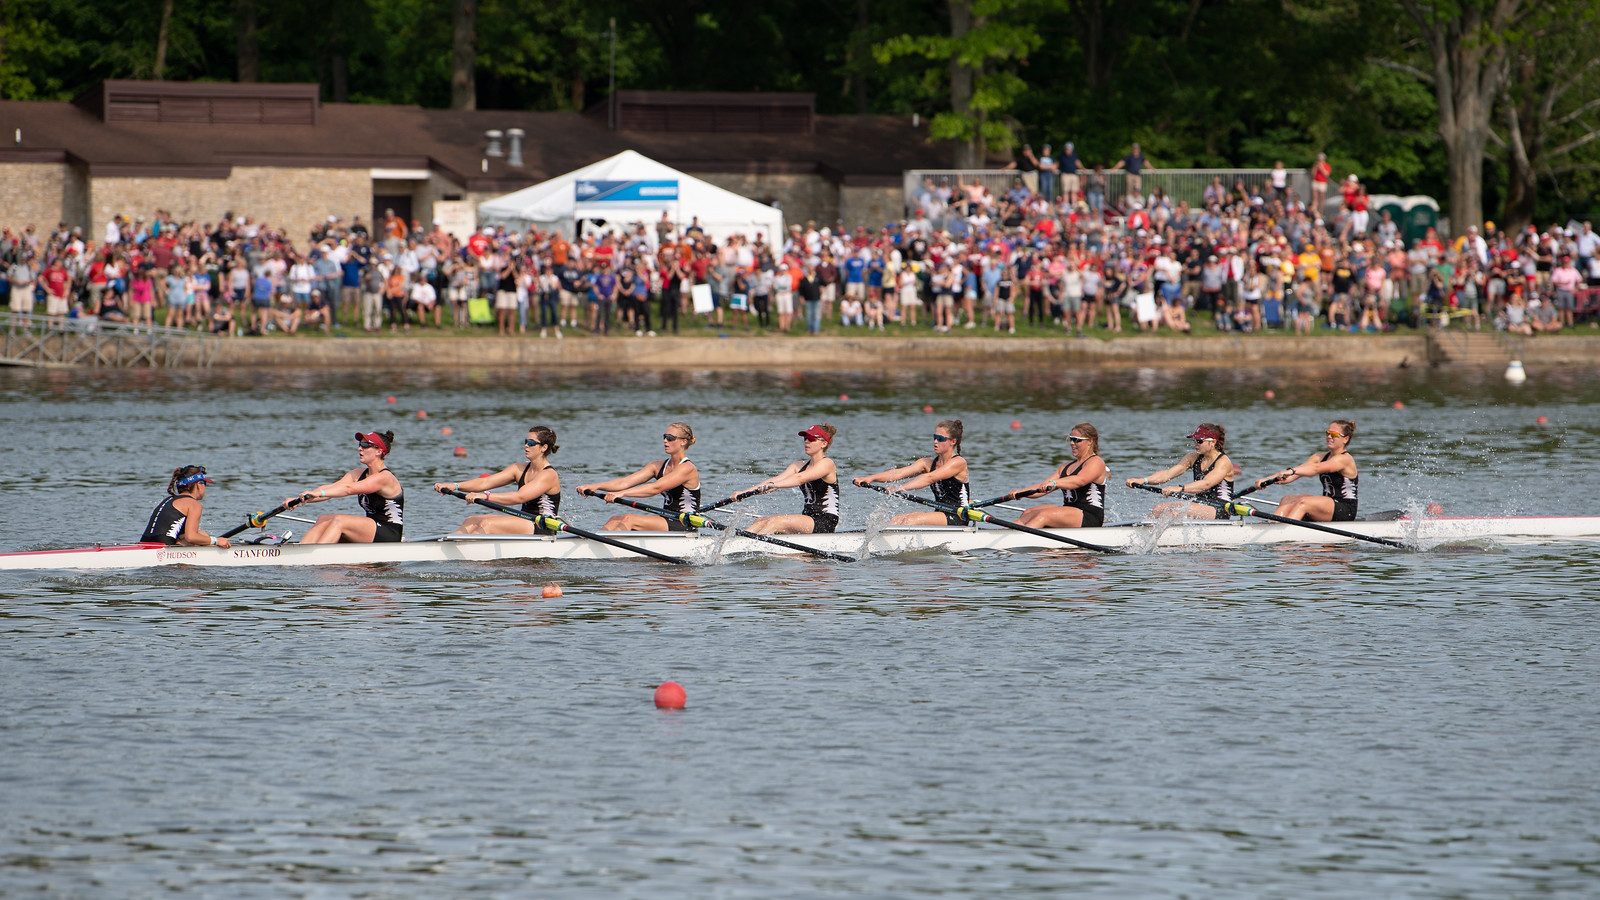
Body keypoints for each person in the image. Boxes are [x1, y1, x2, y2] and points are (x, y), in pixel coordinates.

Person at [576, 422, 701, 531]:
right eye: (664, 437)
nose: (665, 441)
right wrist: (596, 486)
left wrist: (621, 494)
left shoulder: (687, 468)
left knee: (629, 519)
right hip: (666, 519)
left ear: (683, 442)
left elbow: (655, 488)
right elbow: (625, 482)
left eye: (670, 438)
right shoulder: (656, 466)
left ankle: (606, 547)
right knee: (614, 520)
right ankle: (595, 545)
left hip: (684, 523)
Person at [436, 426, 561, 534]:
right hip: (524, 521)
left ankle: (466, 551)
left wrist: (485, 496)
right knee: (471, 520)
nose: (526, 445)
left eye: (531, 443)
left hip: (543, 526)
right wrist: (455, 486)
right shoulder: (518, 469)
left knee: (487, 524)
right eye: (526, 441)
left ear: (544, 447)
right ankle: (450, 547)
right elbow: (485, 482)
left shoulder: (548, 475)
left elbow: (519, 497)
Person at [289, 431, 405, 543]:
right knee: (323, 519)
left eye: (365, 445)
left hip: (389, 533)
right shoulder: (357, 474)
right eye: (360, 444)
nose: (360, 448)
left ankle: (316, 553)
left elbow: (348, 489)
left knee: (339, 521)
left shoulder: (384, 478)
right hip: (370, 529)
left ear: (379, 451)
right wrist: (298, 500)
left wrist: (319, 493)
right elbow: (332, 488)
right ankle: (302, 549)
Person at [852, 419, 970, 526]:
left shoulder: (958, 462)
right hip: (939, 514)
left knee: (910, 521)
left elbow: (929, 478)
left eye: (940, 439)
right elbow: (898, 473)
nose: (935, 441)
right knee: (894, 520)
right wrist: (870, 478)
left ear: (953, 441)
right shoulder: (927, 463)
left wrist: (901, 488)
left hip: (958, 516)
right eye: (934, 437)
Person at [1001, 424, 1108, 528]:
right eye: (1071, 439)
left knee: (1044, 515)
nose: (1072, 443)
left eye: (1077, 440)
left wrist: (1054, 483)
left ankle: (1022, 536)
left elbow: (1080, 480)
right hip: (1069, 510)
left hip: (1089, 515)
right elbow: (1042, 487)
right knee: (1028, 513)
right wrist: (1020, 493)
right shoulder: (1065, 467)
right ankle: (1005, 533)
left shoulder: (1096, 462)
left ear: (1090, 441)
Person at [741, 424, 841, 535]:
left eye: (811, 439)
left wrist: (774, 485)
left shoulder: (827, 464)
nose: (806, 442)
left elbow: (800, 478)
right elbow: (775, 480)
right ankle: (738, 540)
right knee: (760, 521)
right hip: (807, 517)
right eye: (805, 438)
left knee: (775, 522)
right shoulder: (798, 466)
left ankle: (749, 542)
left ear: (824, 443)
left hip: (825, 521)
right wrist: (743, 493)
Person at [1255, 420, 1359, 522]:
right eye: (1328, 433)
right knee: (1287, 499)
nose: (1329, 437)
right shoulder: (1318, 457)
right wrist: (1267, 480)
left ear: (1345, 439)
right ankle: (1273, 524)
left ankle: (1285, 528)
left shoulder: (1345, 459)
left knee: (1304, 502)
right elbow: (1293, 475)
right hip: (1328, 505)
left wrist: (1291, 471)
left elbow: (1315, 469)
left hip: (1345, 509)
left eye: (1334, 434)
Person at [1126, 423, 1234, 519]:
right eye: (1194, 440)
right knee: (1158, 508)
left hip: (1220, 508)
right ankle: (1143, 532)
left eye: (1199, 441)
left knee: (1176, 510)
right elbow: (1167, 474)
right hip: (1199, 504)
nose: (1195, 444)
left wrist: (1180, 489)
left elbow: (1206, 484)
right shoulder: (1192, 457)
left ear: (1213, 442)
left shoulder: (1223, 462)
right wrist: (1143, 480)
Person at [140, 465, 230, 548]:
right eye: (205, 484)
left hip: (144, 544)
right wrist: (216, 541)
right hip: (163, 548)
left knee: (201, 534)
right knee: (200, 537)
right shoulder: (193, 504)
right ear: (199, 484)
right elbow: (191, 537)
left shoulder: (169, 500)